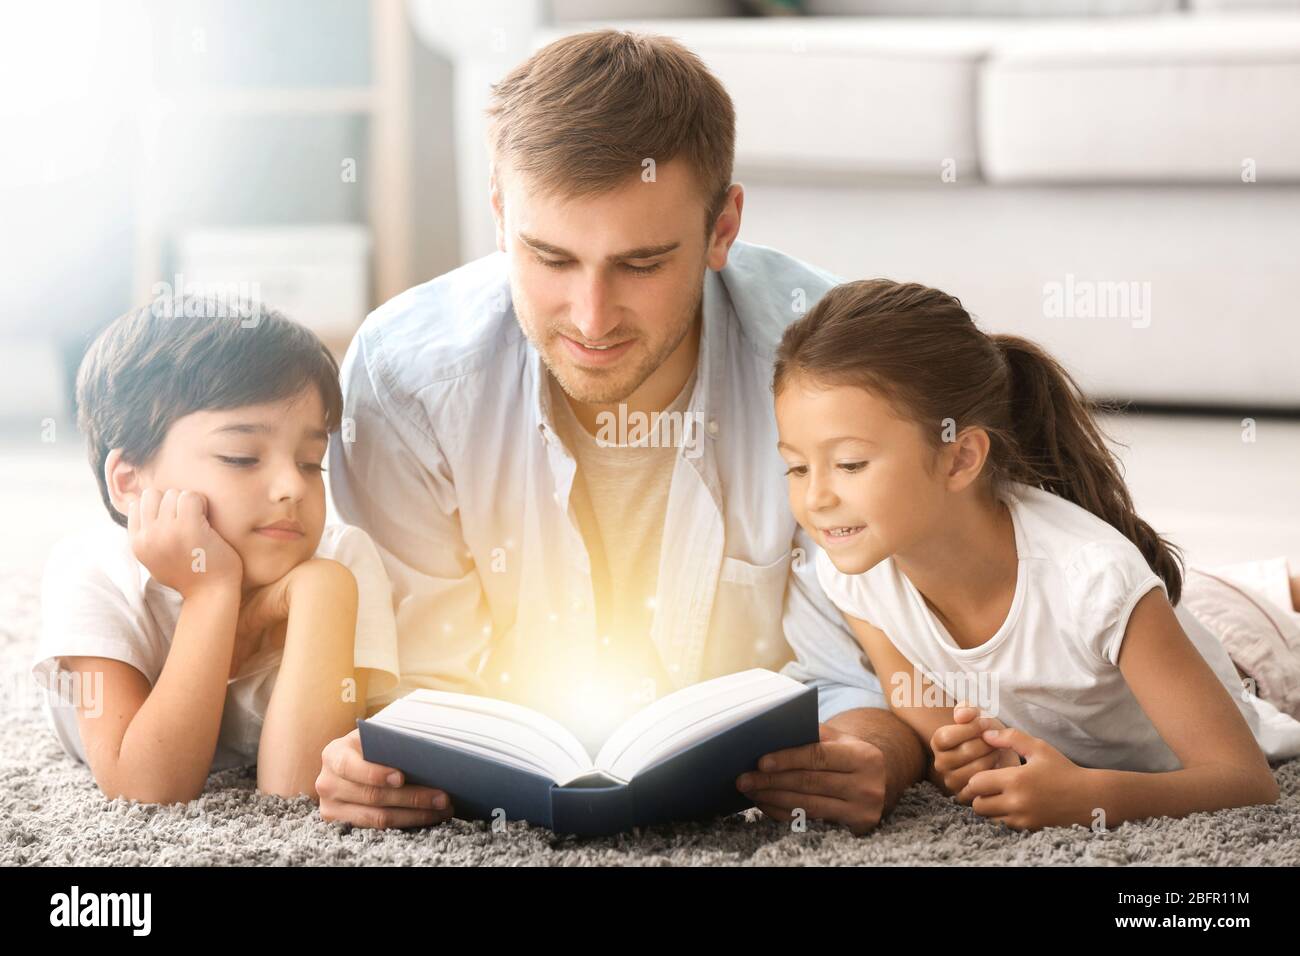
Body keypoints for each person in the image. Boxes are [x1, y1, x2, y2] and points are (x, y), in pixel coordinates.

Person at [317, 30, 926, 835]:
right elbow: (415, 678)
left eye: (640, 264)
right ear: (500, 214)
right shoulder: (405, 377)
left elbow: (877, 674)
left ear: (723, 227)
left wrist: (874, 752)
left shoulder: (838, 370)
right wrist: (367, 761)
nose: (592, 319)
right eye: (550, 258)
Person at [771, 278, 1300, 830]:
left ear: (959, 458)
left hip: (1255, 659)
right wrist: (959, 754)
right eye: (797, 466)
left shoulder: (1096, 581)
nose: (816, 498)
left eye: (851, 464)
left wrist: (1092, 796)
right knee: (1198, 600)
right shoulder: (856, 570)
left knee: (1239, 615)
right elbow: (929, 717)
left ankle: (1273, 584)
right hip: (1147, 627)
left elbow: (1247, 781)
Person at [32, 298, 401, 803]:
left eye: (311, 462)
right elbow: (146, 789)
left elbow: (297, 791)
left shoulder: (341, 563)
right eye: (241, 457)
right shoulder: (94, 572)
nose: (291, 485)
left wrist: (322, 591)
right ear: (130, 481)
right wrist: (211, 591)